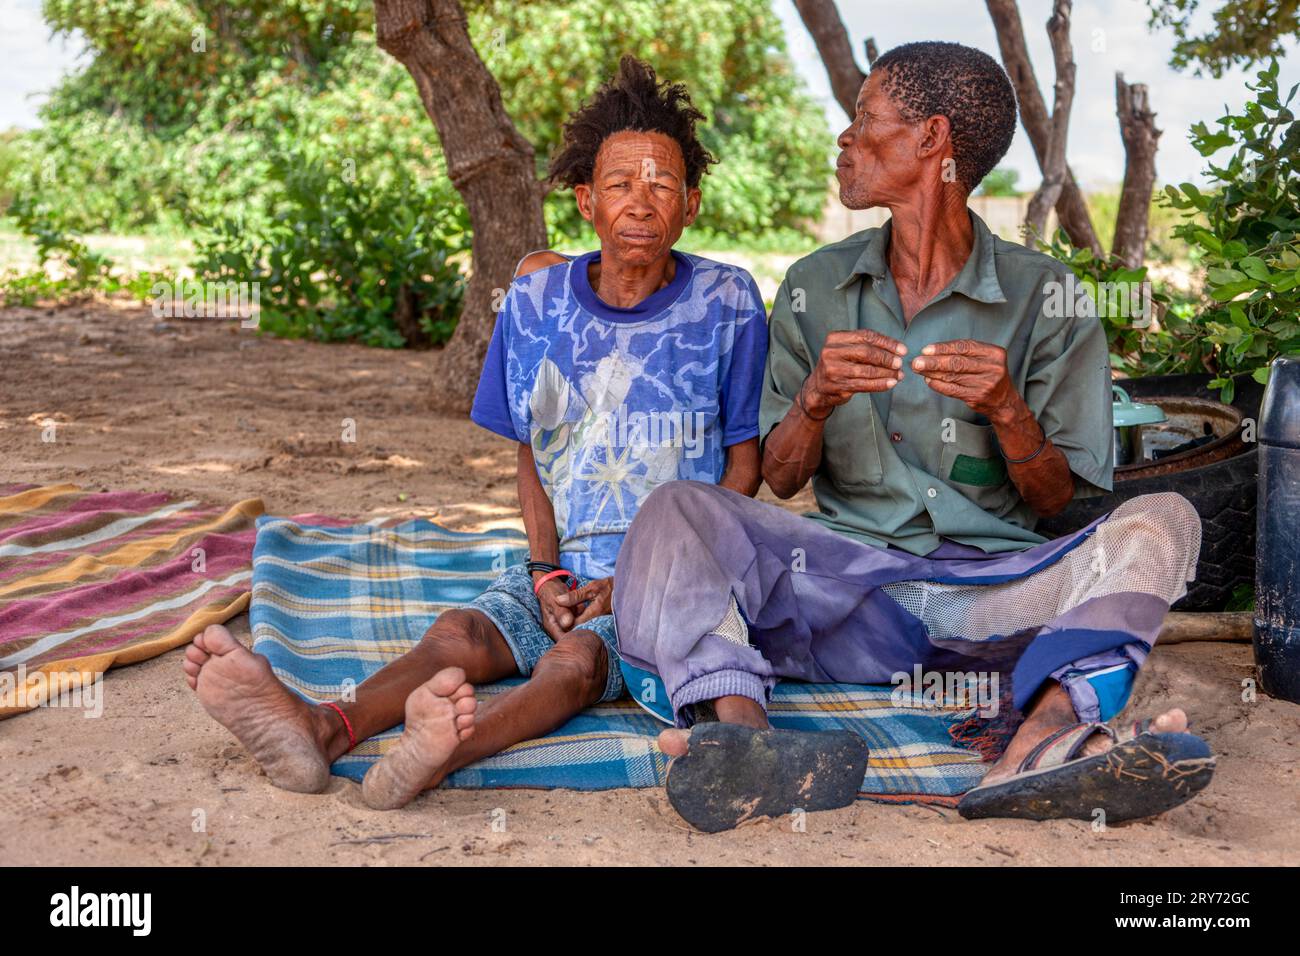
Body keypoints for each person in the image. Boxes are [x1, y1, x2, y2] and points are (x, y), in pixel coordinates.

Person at [612, 41, 1215, 833]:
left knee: (1167, 519)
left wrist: (1007, 410)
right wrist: (817, 399)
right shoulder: (814, 288)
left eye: (866, 119)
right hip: (843, 598)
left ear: (932, 141)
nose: (845, 138)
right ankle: (746, 743)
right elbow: (781, 479)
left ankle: (1036, 747)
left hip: (997, 603)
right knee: (678, 511)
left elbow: (1056, 497)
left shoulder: (1045, 295)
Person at [183, 56, 767, 809]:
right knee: (459, 634)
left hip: (670, 579)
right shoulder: (536, 302)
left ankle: (440, 753)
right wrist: (544, 572)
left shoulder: (728, 301)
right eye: (620, 184)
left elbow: (743, 471)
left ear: (689, 204)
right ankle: (322, 728)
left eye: (662, 185)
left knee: (575, 666)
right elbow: (536, 454)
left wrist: (635, 582)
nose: (640, 202)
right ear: (586, 200)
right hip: (560, 568)